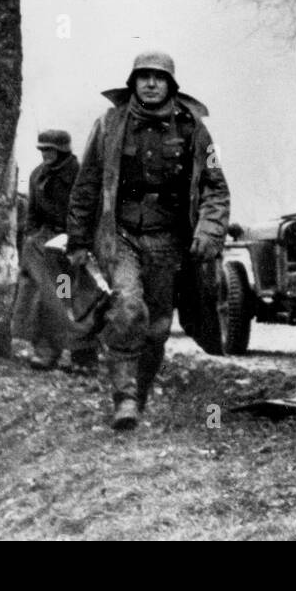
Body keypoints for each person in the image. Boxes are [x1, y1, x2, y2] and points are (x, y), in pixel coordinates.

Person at [67, 50, 230, 431]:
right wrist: (77, 240)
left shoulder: (192, 129)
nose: (151, 84)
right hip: (120, 234)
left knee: (157, 328)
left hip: (170, 240)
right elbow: (87, 183)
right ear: (133, 82)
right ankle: (123, 396)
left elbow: (215, 188)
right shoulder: (109, 125)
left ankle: (137, 395)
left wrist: (209, 231)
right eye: (144, 77)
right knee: (127, 307)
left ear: (171, 84)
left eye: (159, 78)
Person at [13, 129, 99, 373]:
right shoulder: (37, 176)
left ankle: (84, 355)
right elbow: (32, 215)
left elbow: (92, 210)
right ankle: (47, 351)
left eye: (50, 150)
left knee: (79, 298)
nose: (45, 154)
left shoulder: (82, 175)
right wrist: (34, 237)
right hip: (46, 244)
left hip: (76, 243)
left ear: (62, 151)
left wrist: (79, 240)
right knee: (47, 297)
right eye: (42, 150)